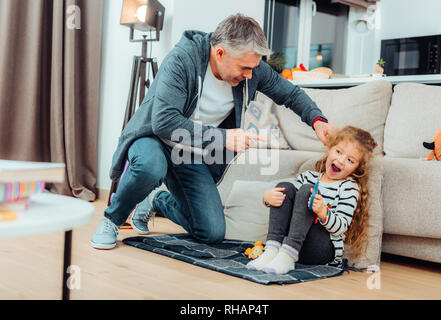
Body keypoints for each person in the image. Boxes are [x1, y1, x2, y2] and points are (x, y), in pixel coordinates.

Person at [90, 13, 338, 249]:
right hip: (154, 138)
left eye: (253, 68)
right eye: (244, 68)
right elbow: (164, 121)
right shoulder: (182, 59)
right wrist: (225, 137)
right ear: (220, 53)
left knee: (212, 232)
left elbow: (290, 93)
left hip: (190, 151)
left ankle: (156, 201)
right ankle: (112, 220)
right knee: (151, 165)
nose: (250, 75)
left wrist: (317, 120)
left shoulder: (253, 70)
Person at [246, 126, 377, 274]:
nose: (341, 160)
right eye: (338, 152)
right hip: (291, 244)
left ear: (357, 168)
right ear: (329, 149)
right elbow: (287, 201)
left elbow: (341, 227)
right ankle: (272, 250)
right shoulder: (308, 176)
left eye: (350, 160)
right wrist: (267, 198)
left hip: (319, 249)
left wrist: (324, 213)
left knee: (307, 191)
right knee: (285, 188)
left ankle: (287, 256)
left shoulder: (348, 187)